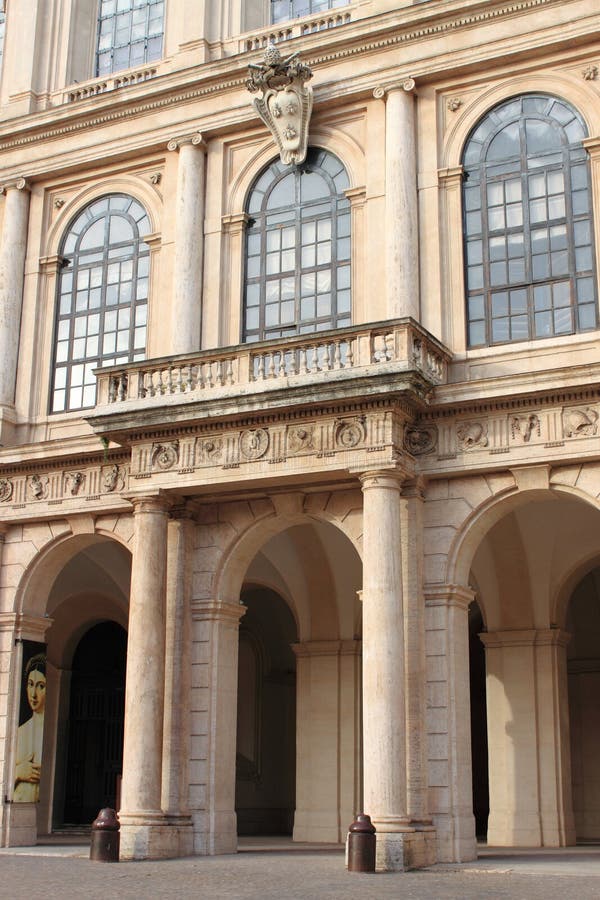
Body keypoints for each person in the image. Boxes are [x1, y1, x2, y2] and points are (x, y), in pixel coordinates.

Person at [14, 653, 46, 802]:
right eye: (30, 684)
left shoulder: (50, 735)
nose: (33, 694)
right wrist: (18, 772)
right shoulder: (19, 732)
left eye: (41, 686)